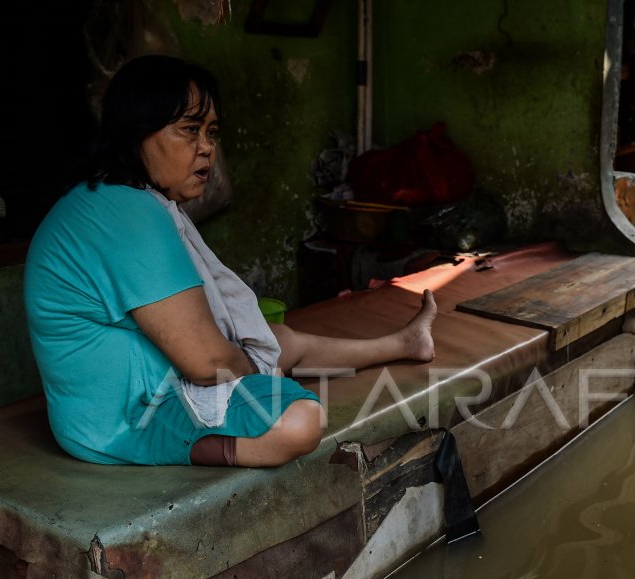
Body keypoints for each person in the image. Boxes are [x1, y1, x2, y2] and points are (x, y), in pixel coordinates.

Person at [25, 55, 436, 468]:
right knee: (298, 422)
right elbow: (208, 364)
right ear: (137, 133)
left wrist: (260, 359)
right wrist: (259, 374)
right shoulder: (126, 211)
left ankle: (404, 343)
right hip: (126, 418)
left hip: (114, 402)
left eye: (211, 132)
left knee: (277, 340)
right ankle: (199, 447)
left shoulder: (117, 198)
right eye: (189, 130)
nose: (206, 147)